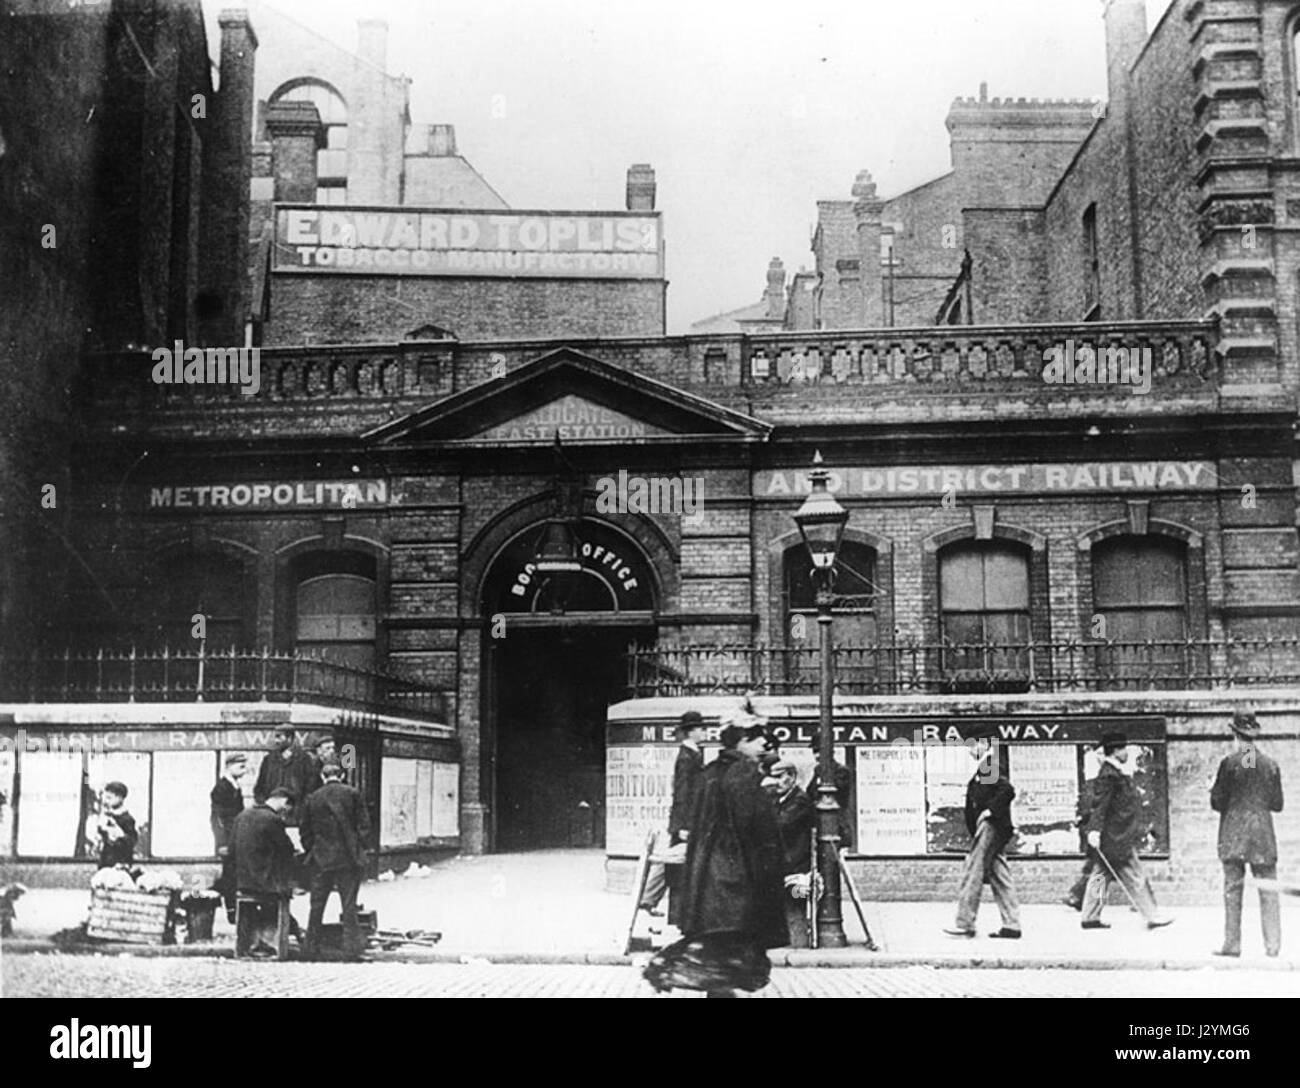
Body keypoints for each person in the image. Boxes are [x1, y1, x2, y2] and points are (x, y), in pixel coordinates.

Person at [644, 723, 790, 997]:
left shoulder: (711, 771)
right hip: (734, 878)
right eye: (759, 740)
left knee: (720, 952)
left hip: (707, 876)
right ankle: (666, 967)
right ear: (742, 741)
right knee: (731, 952)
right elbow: (754, 828)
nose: (764, 746)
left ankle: (668, 967)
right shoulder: (743, 773)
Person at [1081, 731, 1173, 931]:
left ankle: (1090, 916)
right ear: (1115, 751)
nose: (1126, 752)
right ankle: (1151, 915)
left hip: (1115, 835)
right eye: (1122, 748)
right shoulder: (1108, 775)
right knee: (1135, 876)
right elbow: (1100, 805)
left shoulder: (1114, 771)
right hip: (1117, 836)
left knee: (1100, 875)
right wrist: (1094, 830)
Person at [1210, 710, 1283, 958]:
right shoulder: (1270, 765)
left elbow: (1218, 802)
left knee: (1233, 890)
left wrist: (1214, 788)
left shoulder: (1228, 764)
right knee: (1269, 891)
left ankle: (1232, 944)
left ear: (1235, 734)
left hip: (1234, 836)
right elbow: (1277, 804)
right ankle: (1272, 946)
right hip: (1262, 836)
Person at [944, 725, 1021, 939]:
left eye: (972, 745)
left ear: (985, 744)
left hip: (990, 827)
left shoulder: (989, 765)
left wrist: (989, 812)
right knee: (1000, 875)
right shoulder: (985, 766)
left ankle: (965, 922)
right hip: (992, 827)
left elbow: (1007, 790)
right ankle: (1012, 925)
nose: (970, 750)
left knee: (973, 870)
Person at [638, 711, 706, 919]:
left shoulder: (694, 752)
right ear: (691, 732)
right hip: (685, 822)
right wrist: (684, 825)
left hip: (686, 820)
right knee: (675, 865)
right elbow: (683, 793)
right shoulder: (686, 756)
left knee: (674, 864)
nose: (704, 732)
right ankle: (652, 901)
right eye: (701, 728)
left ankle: (650, 900)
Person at [300, 762, 371, 961]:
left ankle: (310, 949)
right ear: (341, 776)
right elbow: (364, 826)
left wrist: (312, 849)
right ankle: (351, 949)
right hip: (348, 859)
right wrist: (359, 848)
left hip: (321, 858)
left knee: (317, 904)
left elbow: (304, 830)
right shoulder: (353, 794)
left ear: (323, 777)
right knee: (348, 904)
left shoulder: (312, 798)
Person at [231, 788, 297, 957]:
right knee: (279, 897)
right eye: (288, 808)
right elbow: (286, 849)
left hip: (242, 880)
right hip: (264, 882)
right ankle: (268, 942)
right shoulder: (272, 820)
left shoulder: (242, 816)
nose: (287, 812)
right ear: (283, 801)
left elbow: (231, 849)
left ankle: (248, 944)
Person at [768, 759, 815, 948]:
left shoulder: (800, 800)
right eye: (773, 777)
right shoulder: (776, 799)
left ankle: (798, 941)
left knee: (795, 899)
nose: (776, 782)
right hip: (780, 861)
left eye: (780, 777)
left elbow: (781, 825)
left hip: (794, 863)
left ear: (793, 777)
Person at [210, 754, 248, 923]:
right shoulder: (222, 788)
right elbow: (216, 818)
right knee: (230, 875)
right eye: (241, 767)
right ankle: (231, 911)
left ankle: (235, 911)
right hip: (228, 841)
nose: (244, 771)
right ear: (229, 766)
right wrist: (222, 843)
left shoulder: (234, 786)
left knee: (233, 874)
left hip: (236, 839)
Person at [254, 726, 321, 819]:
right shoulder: (269, 760)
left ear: (289, 738)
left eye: (279, 737)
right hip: (271, 815)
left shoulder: (304, 760)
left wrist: (301, 810)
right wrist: (265, 806)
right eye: (275, 737)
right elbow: (259, 787)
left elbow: (311, 789)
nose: (275, 741)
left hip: (296, 816)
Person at [808, 730, 856, 851]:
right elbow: (810, 792)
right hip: (819, 825)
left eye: (819, 751)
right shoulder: (818, 770)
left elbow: (837, 794)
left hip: (837, 827)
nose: (817, 755)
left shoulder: (841, 771)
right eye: (814, 752)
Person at [94, 781, 138, 870]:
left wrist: (119, 836)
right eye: (105, 798)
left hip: (120, 861)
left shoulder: (127, 819)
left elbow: (131, 841)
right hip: (105, 860)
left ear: (120, 798)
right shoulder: (107, 815)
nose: (106, 801)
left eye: (109, 798)